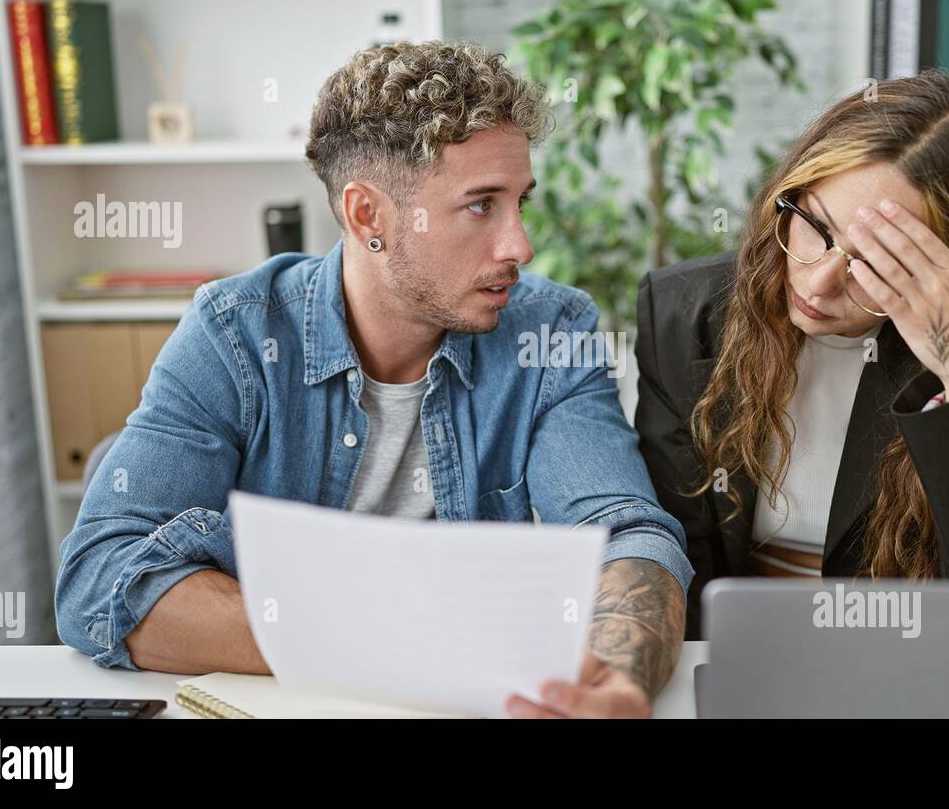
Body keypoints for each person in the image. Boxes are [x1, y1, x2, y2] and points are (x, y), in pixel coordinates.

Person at [55, 41, 691, 718]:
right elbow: (99, 578)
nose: (520, 246)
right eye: (481, 206)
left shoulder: (550, 332)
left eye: (519, 203)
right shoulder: (234, 335)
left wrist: (618, 679)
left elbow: (625, 532)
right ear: (368, 217)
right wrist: (407, 646)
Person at [634, 71, 949, 638]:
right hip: (729, 648)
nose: (817, 285)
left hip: (898, 659)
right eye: (816, 226)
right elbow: (674, 553)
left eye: (878, 265)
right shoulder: (683, 313)